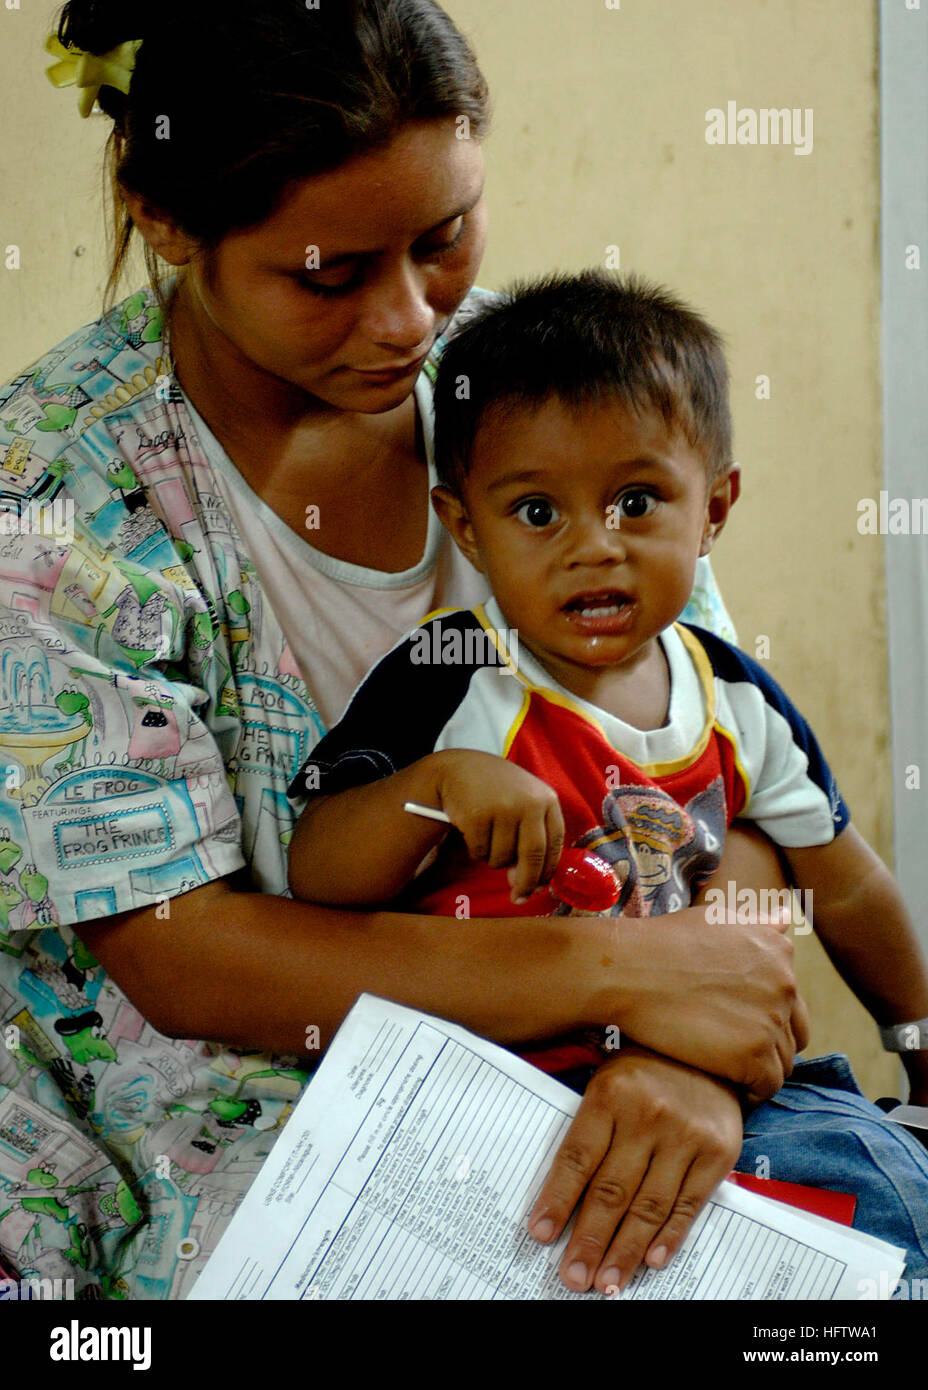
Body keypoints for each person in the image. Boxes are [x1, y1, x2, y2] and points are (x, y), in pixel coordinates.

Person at [0, 0, 833, 1301]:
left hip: (602, 1046)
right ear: (165, 218)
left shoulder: (536, 390)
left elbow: (733, 758)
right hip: (235, 1115)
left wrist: (690, 1056)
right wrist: (628, 975)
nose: (405, 321)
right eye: (329, 276)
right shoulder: (59, 498)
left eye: (442, 241)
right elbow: (183, 951)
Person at [287, 271, 928, 1288]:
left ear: (712, 506)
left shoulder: (735, 697)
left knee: (886, 1194)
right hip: (489, 1086)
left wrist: (917, 1044)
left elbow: (843, 884)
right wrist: (440, 788)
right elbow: (316, 870)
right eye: (536, 510)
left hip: (706, 1079)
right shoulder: (453, 675)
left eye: (637, 501)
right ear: (466, 528)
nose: (594, 548)